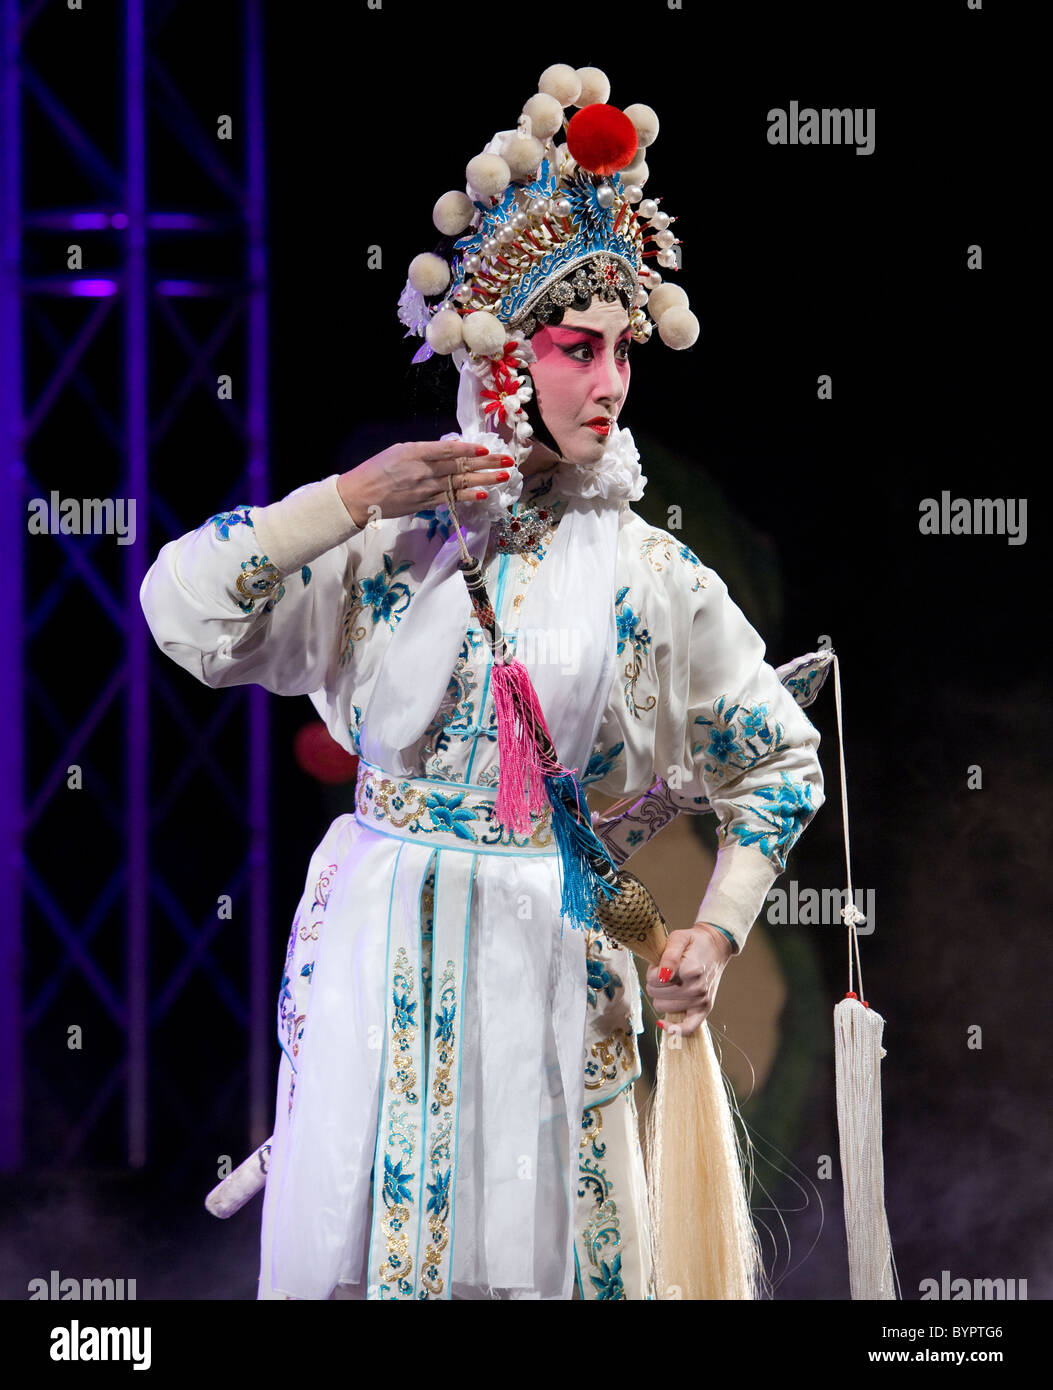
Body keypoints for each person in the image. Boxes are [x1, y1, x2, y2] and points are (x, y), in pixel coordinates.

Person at [139, 65, 825, 1301]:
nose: (610, 383)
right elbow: (184, 608)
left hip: (552, 955)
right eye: (577, 350)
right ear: (504, 355)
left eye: (623, 351)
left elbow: (778, 760)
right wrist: (349, 499)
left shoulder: (649, 575)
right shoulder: (378, 547)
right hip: (379, 946)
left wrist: (717, 930)